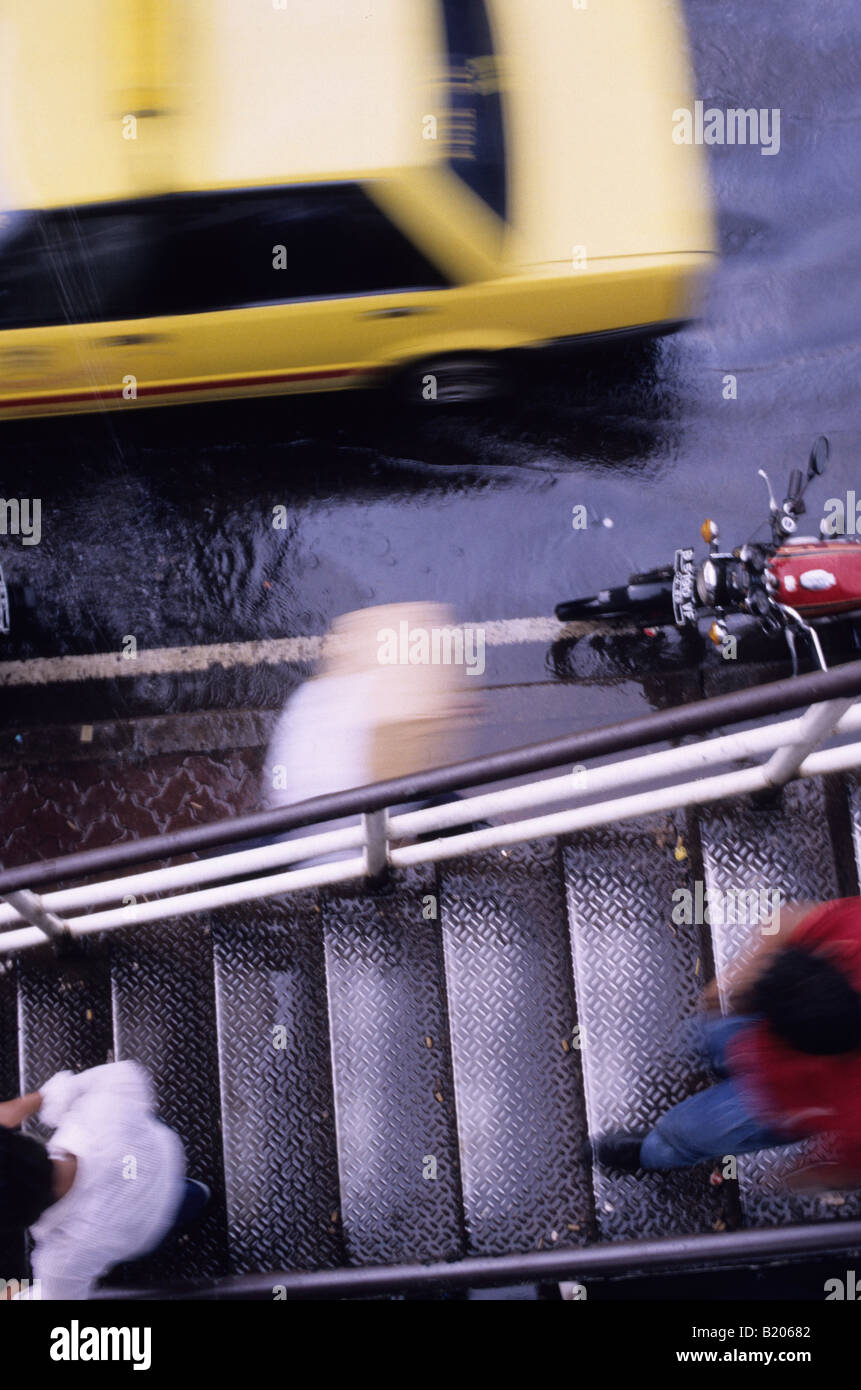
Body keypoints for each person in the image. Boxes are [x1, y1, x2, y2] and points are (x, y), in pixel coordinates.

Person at [596, 897, 861, 1190]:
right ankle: (716, 1061)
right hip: (756, 1030)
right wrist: (740, 978)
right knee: (700, 1036)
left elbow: (848, 1169)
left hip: (770, 1104)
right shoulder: (854, 933)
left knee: (686, 1131)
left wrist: (796, 1177)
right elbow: (785, 922)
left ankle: (650, 1152)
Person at [0, 1060, 209, 1299]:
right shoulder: (101, 1112)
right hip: (155, 1156)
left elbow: (56, 1297)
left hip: (151, 1217)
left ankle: (198, 1196)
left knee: (174, 1206)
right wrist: (29, 1103)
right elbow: (127, 1074)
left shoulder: (62, 1259)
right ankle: (198, 1192)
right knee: (160, 1177)